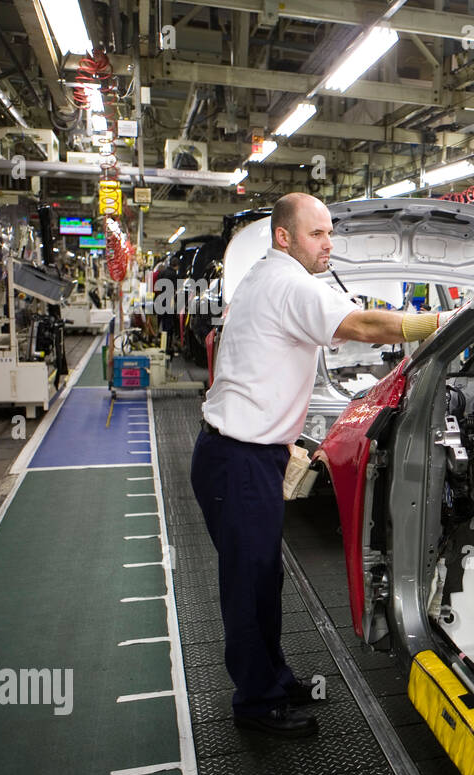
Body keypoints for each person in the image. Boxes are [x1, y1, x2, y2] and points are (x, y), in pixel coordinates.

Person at [192, 192, 448, 738]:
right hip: (238, 459)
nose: (328, 243)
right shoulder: (288, 283)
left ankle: (273, 678)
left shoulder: (266, 278)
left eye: (331, 233)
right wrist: (438, 322)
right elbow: (362, 327)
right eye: (317, 234)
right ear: (284, 237)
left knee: (265, 576)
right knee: (247, 581)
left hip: (244, 453)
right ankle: (256, 706)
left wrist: (282, 439)